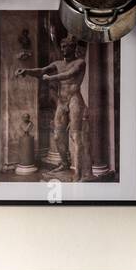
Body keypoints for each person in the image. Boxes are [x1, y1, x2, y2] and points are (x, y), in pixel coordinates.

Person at [15, 36, 91, 180]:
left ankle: (79, 172)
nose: (63, 49)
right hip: (61, 103)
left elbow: (70, 74)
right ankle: (64, 163)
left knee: (75, 136)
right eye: (62, 47)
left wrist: (51, 78)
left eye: (66, 46)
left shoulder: (80, 62)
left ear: (73, 47)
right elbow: (41, 70)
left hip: (75, 100)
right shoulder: (58, 63)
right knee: (57, 136)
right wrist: (26, 71)